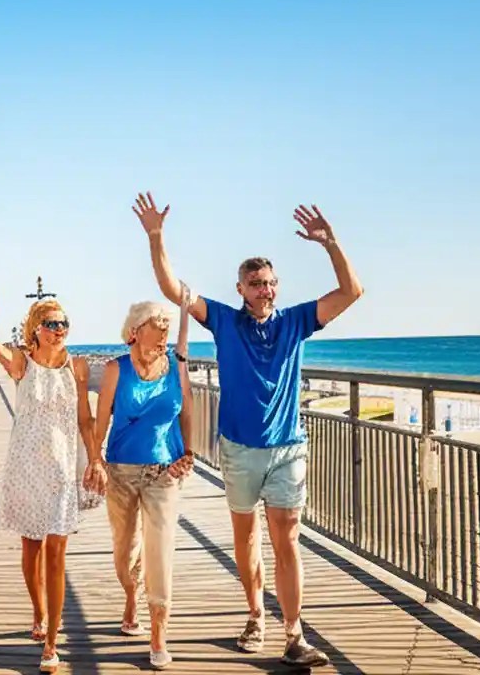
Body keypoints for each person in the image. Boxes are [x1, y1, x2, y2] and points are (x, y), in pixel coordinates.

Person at [134, 193, 363, 668]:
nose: (266, 291)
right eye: (257, 284)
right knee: (246, 540)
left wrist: (331, 244)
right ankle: (256, 614)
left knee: (287, 537)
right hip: (238, 450)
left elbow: (351, 292)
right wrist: (156, 236)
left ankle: (293, 634)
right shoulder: (224, 320)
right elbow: (173, 286)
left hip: (287, 450)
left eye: (271, 283)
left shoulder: (296, 322)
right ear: (240, 288)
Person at [0, 298, 100, 673]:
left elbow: (86, 419)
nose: (59, 329)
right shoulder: (23, 363)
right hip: (25, 467)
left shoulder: (78, 367)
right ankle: (39, 611)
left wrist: (95, 459)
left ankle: (51, 643)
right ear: (35, 328)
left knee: (56, 551)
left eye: (64, 322)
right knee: (31, 547)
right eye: (52, 323)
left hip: (63, 471)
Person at [88, 291, 196, 670]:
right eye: (158, 325)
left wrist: (189, 451)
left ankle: (158, 631)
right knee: (124, 549)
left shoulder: (176, 365)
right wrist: (94, 460)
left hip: (164, 471)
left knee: (160, 549)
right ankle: (131, 592)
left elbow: (187, 408)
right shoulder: (117, 369)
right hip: (120, 470)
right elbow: (101, 420)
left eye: (167, 325)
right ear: (136, 331)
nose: (164, 331)